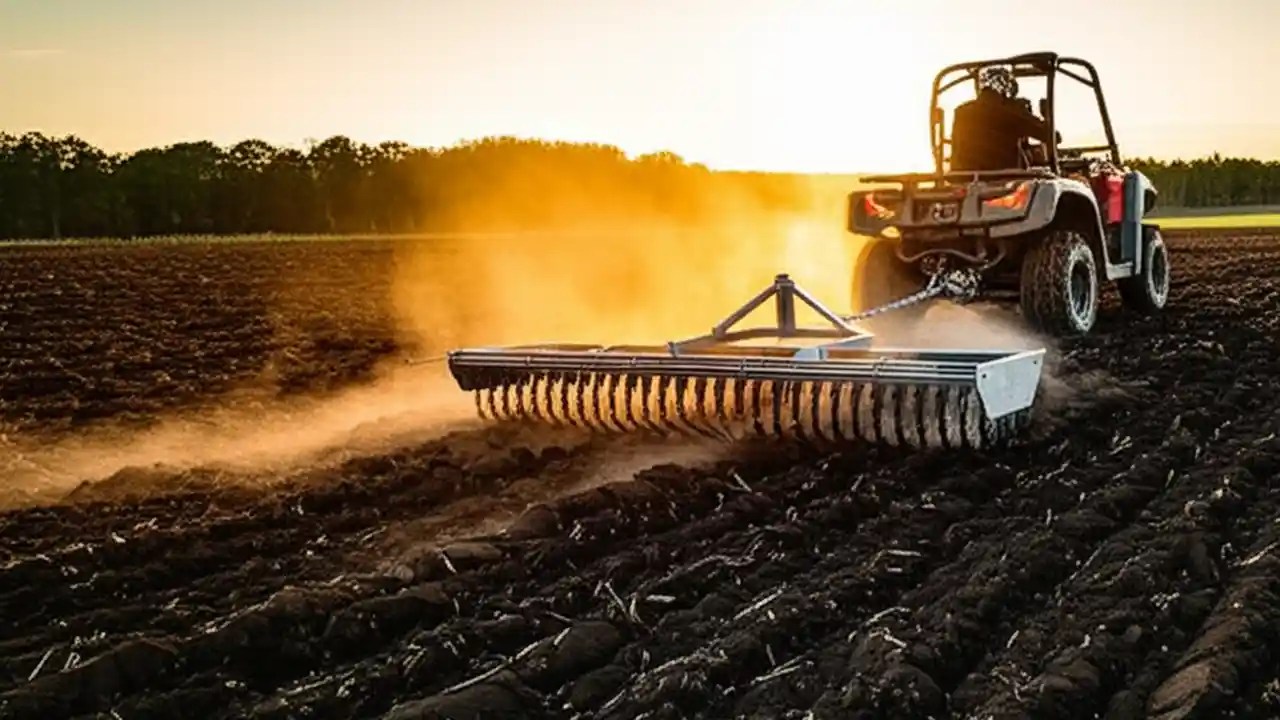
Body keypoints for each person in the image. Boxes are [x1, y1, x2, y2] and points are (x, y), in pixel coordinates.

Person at [950, 66, 1056, 171]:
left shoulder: (961, 111)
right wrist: (1046, 115)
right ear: (1006, 90)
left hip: (962, 179)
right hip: (1005, 180)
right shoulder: (1011, 111)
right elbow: (1053, 137)